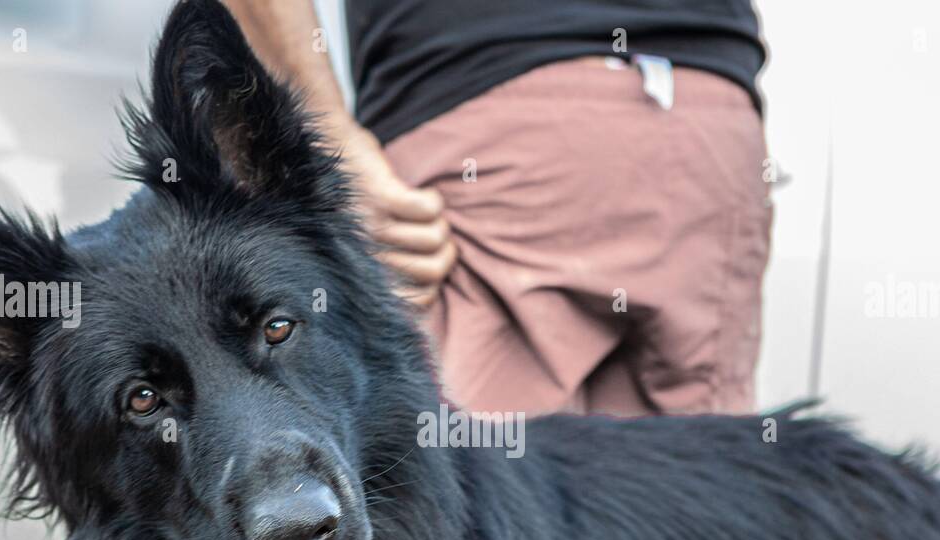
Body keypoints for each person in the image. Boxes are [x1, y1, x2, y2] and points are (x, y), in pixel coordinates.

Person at [226, 1, 771, 416]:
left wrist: (327, 142)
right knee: (690, 521)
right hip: (711, 123)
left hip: (489, 107)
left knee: (483, 523)